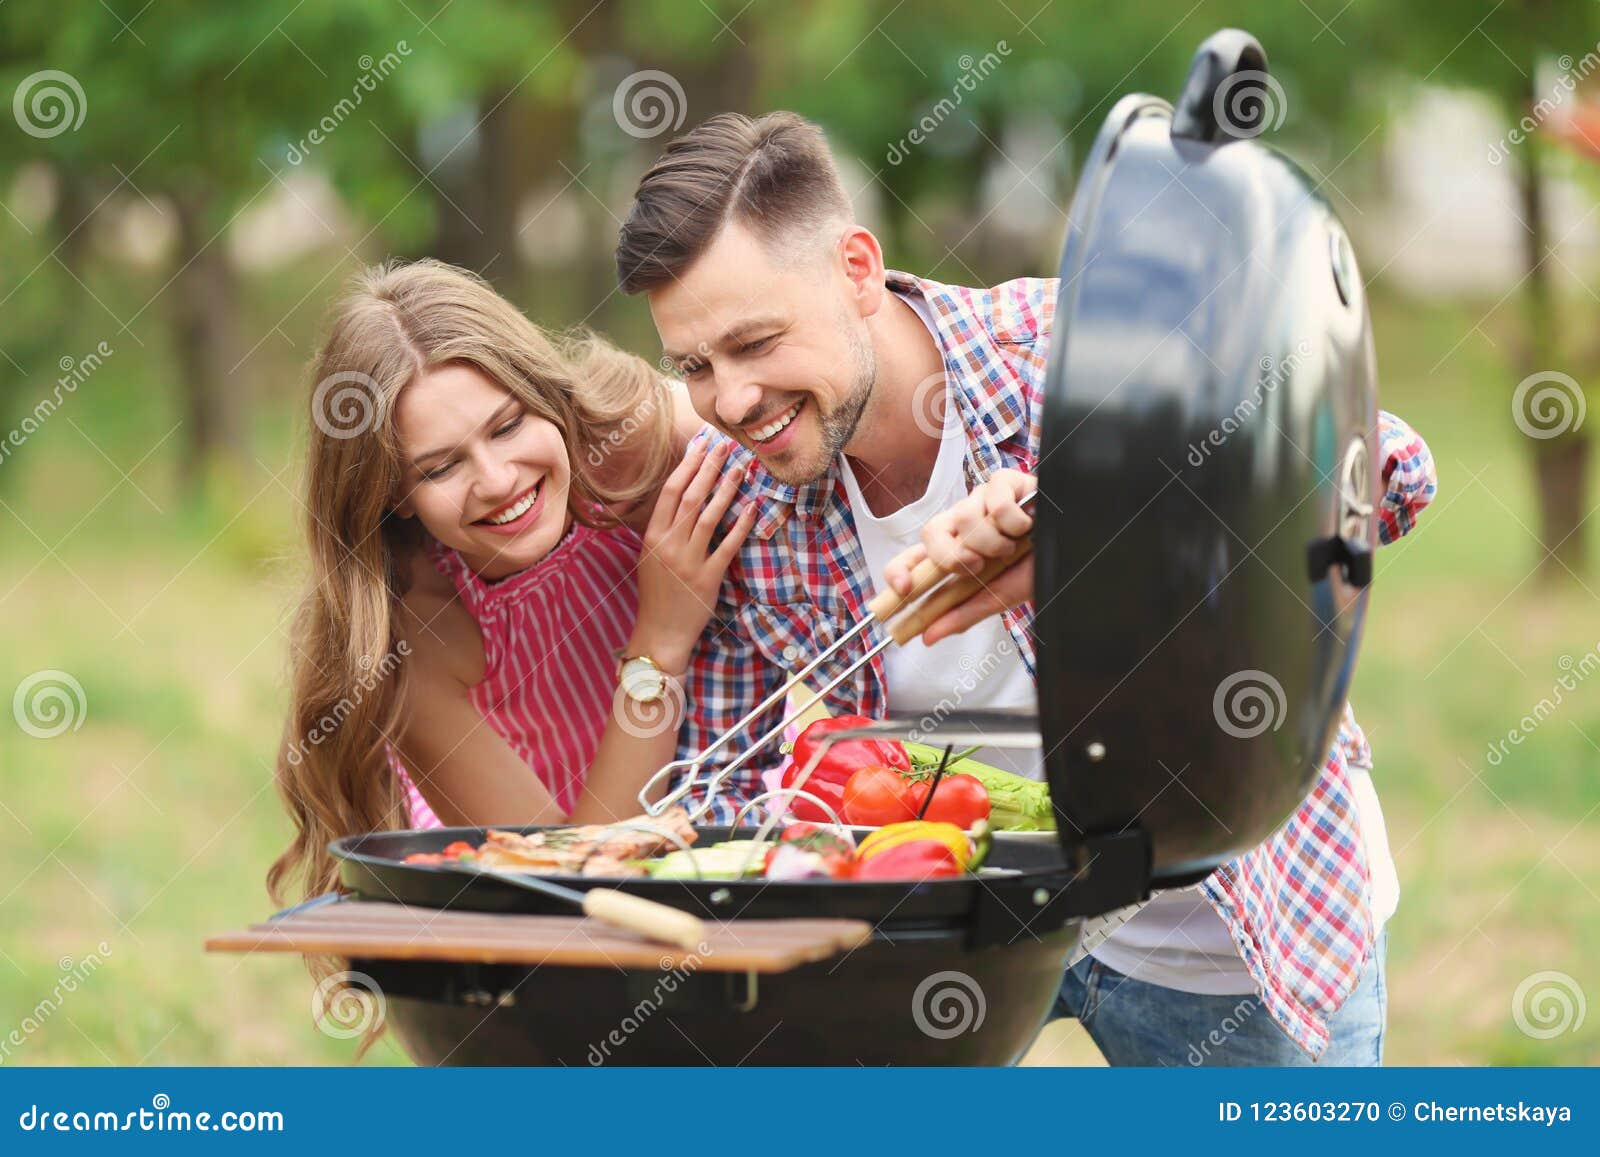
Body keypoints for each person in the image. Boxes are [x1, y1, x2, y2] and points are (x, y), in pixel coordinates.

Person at [615, 110, 1436, 1064]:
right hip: (956, 935)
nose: (732, 400)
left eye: (756, 342)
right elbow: (731, 788)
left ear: (856, 268)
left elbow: (1391, 471)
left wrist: (1101, 527)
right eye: (694, 366)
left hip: (1225, 936)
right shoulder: (737, 492)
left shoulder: (1074, 350)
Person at [268, 258, 755, 907]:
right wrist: (660, 641)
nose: (497, 479)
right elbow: (568, 881)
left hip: (734, 817)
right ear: (396, 496)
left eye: (507, 426)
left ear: (545, 394)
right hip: (580, 870)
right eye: (441, 467)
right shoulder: (415, 636)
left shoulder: (637, 446)